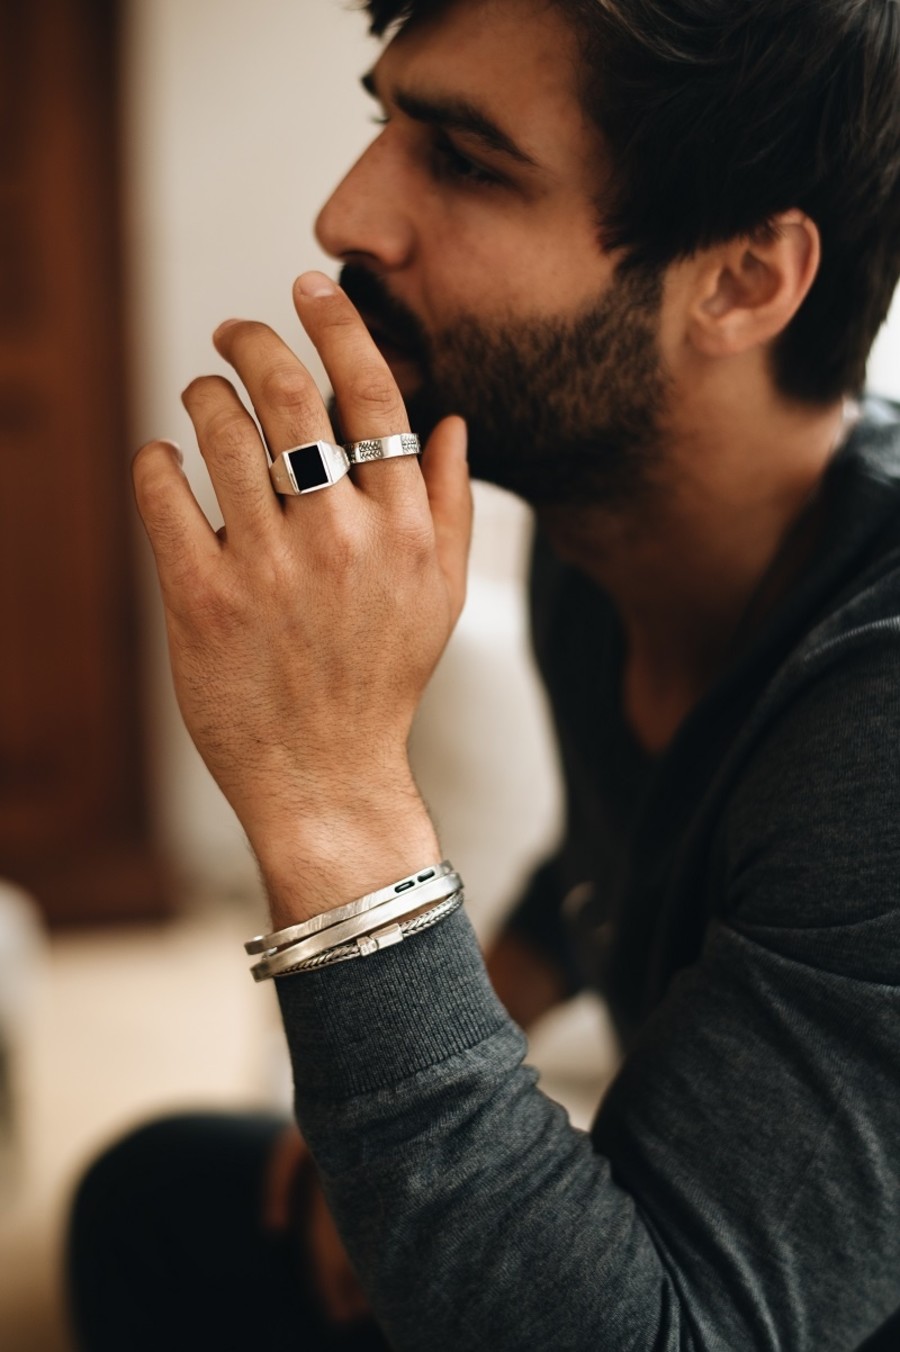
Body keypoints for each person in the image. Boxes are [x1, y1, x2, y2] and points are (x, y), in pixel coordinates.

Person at [68, 0, 900, 1347]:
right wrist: (402, 1098)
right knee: (154, 1201)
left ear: (744, 280)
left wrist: (331, 794)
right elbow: (612, 858)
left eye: (463, 160)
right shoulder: (604, 537)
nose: (347, 213)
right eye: (383, 119)